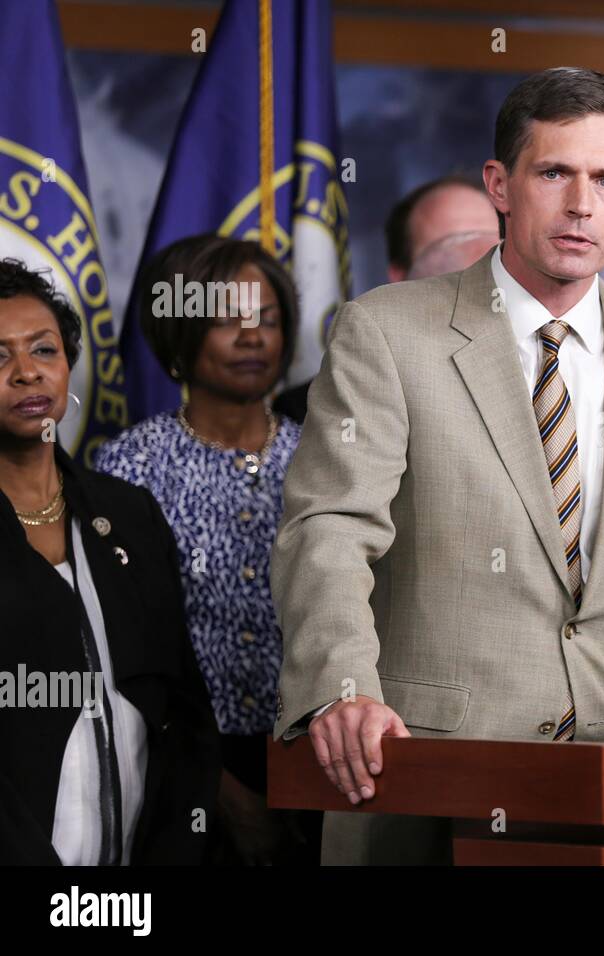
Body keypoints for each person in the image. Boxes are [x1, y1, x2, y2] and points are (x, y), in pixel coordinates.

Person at [272, 67, 604, 864]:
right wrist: (344, 690)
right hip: (426, 782)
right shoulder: (388, 333)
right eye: (554, 172)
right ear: (500, 186)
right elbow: (329, 532)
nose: (581, 203)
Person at [94, 235, 309, 865]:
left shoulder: (326, 457)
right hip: (180, 764)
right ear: (178, 336)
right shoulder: (128, 468)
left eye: (267, 320)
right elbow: (126, 655)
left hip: (319, 757)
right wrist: (218, 787)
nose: (253, 337)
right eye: (227, 321)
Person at [0, 258, 219, 864]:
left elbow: (184, 710)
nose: (25, 374)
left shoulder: (127, 513)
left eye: (43, 349)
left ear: (68, 365)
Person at [273, 175, 500, 423]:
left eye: (493, 251)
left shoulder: (543, 385)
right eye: (448, 254)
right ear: (400, 277)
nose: (478, 272)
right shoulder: (319, 410)